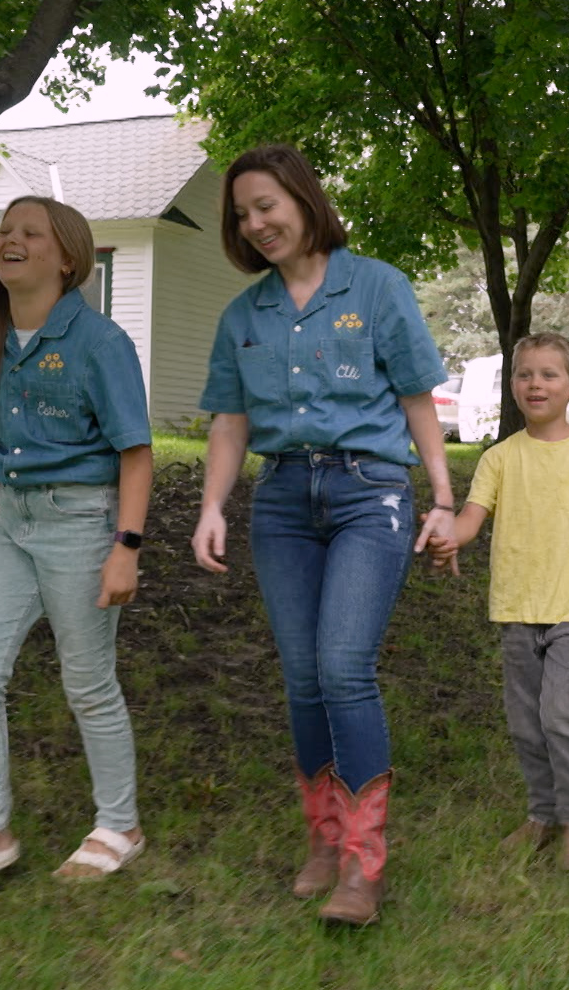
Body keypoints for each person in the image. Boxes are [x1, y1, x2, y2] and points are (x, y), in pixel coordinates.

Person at [191, 143, 456, 927]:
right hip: (280, 502)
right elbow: (230, 421)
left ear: (304, 199)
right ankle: (324, 833)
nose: (256, 223)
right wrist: (212, 507)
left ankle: (363, 864)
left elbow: (416, 398)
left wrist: (441, 497)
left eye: (266, 205)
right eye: (243, 214)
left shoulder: (375, 286)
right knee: (303, 676)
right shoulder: (244, 315)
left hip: (367, 493)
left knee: (344, 667)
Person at [0, 196, 155, 893]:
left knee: (87, 681)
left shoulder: (100, 344)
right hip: (10, 529)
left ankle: (120, 825)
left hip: (81, 525)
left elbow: (135, 456)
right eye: (4, 231)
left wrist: (126, 548)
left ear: (67, 258)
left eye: (29, 232)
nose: (10, 239)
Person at [427, 333, 569, 870]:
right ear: (511, 385)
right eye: (524, 375)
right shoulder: (499, 457)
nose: (535, 384)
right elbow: (473, 516)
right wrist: (452, 535)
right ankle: (543, 814)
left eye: (548, 375)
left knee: (561, 713)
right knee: (525, 720)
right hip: (516, 607)